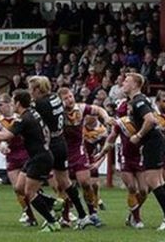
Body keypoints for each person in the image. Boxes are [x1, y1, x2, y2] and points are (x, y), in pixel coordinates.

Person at [0, 90, 60, 232]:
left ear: (17, 103)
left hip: (39, 158)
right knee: (19, 187)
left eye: (12, 101)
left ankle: (52, 221)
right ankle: (53, 202)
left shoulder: (23, 119)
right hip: (35, 156)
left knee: (29, 193)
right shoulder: (33, 113)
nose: (12, 103)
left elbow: (6, 135)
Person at [123, 72, 165, 231]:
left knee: (152, 181)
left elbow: (150, 120)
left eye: (126, 81)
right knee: (159, 181)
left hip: (152, 142)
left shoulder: (139, 101)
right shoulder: (137, 100)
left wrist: (139, 135)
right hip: (155, 142)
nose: (123, 83)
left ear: (135, 84)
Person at [28, 75, 86, 227]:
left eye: (31, 89)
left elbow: (31, 121)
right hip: (61, 142)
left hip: (48, 146)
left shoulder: (39, 104)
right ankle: (82, 214)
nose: (30, 92)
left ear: (37, 89)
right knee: (65, 182)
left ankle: (52, 212)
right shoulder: (55, 98)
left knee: (28, 187)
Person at [59, 87, 112, 228]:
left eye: (70, 96)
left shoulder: (81, 108)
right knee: (64, 187)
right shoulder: (57, 112)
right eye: (65, 98)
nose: (69, 100)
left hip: (78, 151)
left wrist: (106, 117)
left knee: (85, 182)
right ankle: (65, 217)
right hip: (61, 152)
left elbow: (98, 109)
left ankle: (93, 213)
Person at [96, 100, 148, 229]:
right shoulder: (122, 123)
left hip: (139, 157)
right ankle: (136, 218)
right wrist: (102, 153)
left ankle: (132, 213)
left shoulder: (145, 122)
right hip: (125, 158)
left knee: (144, 190)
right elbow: (111, 138)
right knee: (131, 187)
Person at [0, 93, 37, 226]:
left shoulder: (20, 116)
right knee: (17, 188)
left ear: (9, 103)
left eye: (1, 104)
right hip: (11, 154)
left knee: (29, 187)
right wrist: (0, 148)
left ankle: (46, 206)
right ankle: (27, 213)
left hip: (25, 152)